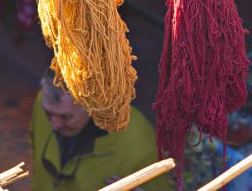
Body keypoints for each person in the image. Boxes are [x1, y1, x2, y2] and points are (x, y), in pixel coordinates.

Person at [29, 68, 172, 190]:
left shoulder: (141, 146)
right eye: (48, 114)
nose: (54, 125)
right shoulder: (45, 102)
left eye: (66, 117)